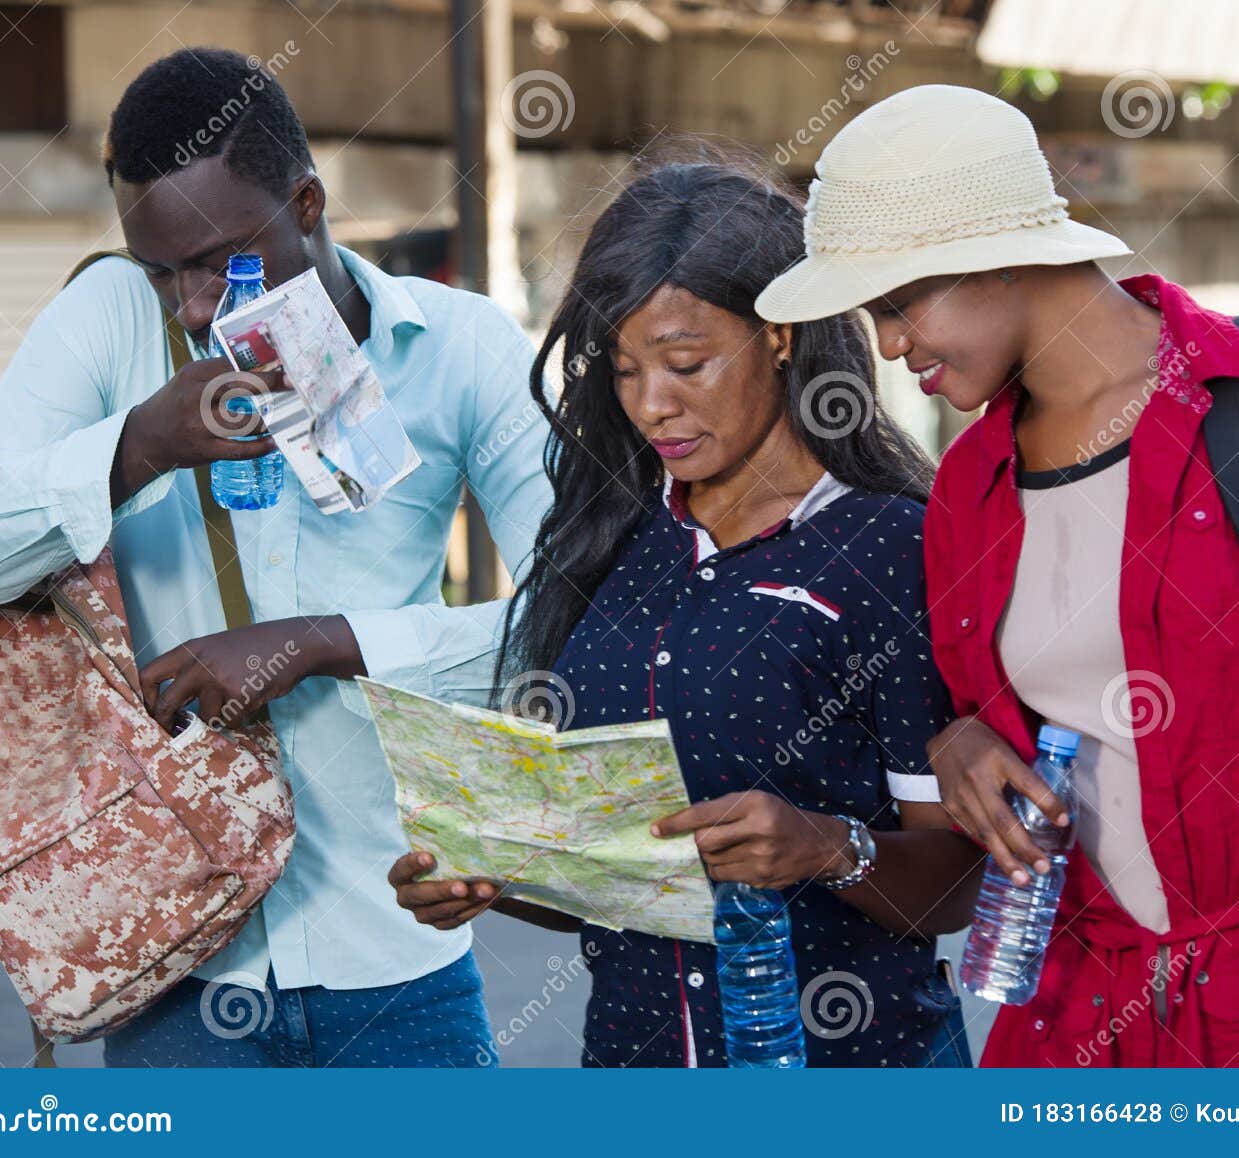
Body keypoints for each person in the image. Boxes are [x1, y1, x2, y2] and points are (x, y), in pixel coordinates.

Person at [754, 84, 1239, 1067]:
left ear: (997, 254)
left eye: (896, 303)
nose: (888, 343)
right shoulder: (968, 487)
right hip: (1075, 1014)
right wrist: (963, 742)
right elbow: (1013, 739)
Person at [0, 48, 552, 1067]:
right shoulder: (112, 317)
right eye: (163, 271)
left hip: (398, 952)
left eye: (221, 261)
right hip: (182, 961)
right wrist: (136, 447)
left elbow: (578, 616)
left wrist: (323, 643)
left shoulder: (459, 347)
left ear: (307, 204)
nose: (194, 305)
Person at [389, 159, 986, 1067]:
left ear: (780, 335)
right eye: (625, 371)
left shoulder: (888, 547)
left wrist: (828, 847)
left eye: (685, 364)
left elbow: (958, 885)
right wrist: (495, 875)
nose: (651, 406)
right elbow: (618, 877)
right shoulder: (605, 542)